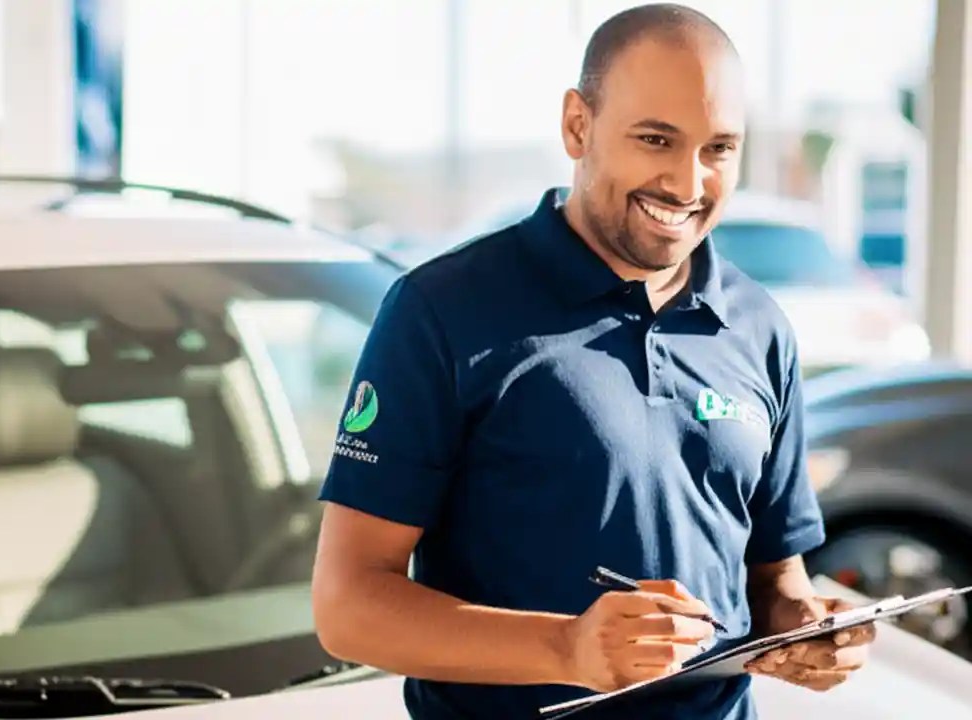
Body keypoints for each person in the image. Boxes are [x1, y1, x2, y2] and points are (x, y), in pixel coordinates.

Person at [310, 4, 876, 719]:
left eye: (719, 149)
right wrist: (567, 648)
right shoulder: (444, 310)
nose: (688, 183)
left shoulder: (759, 326)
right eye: (656, 140)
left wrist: (805, 628)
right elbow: (348, 605)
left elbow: (774, 576)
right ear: (578, 125)